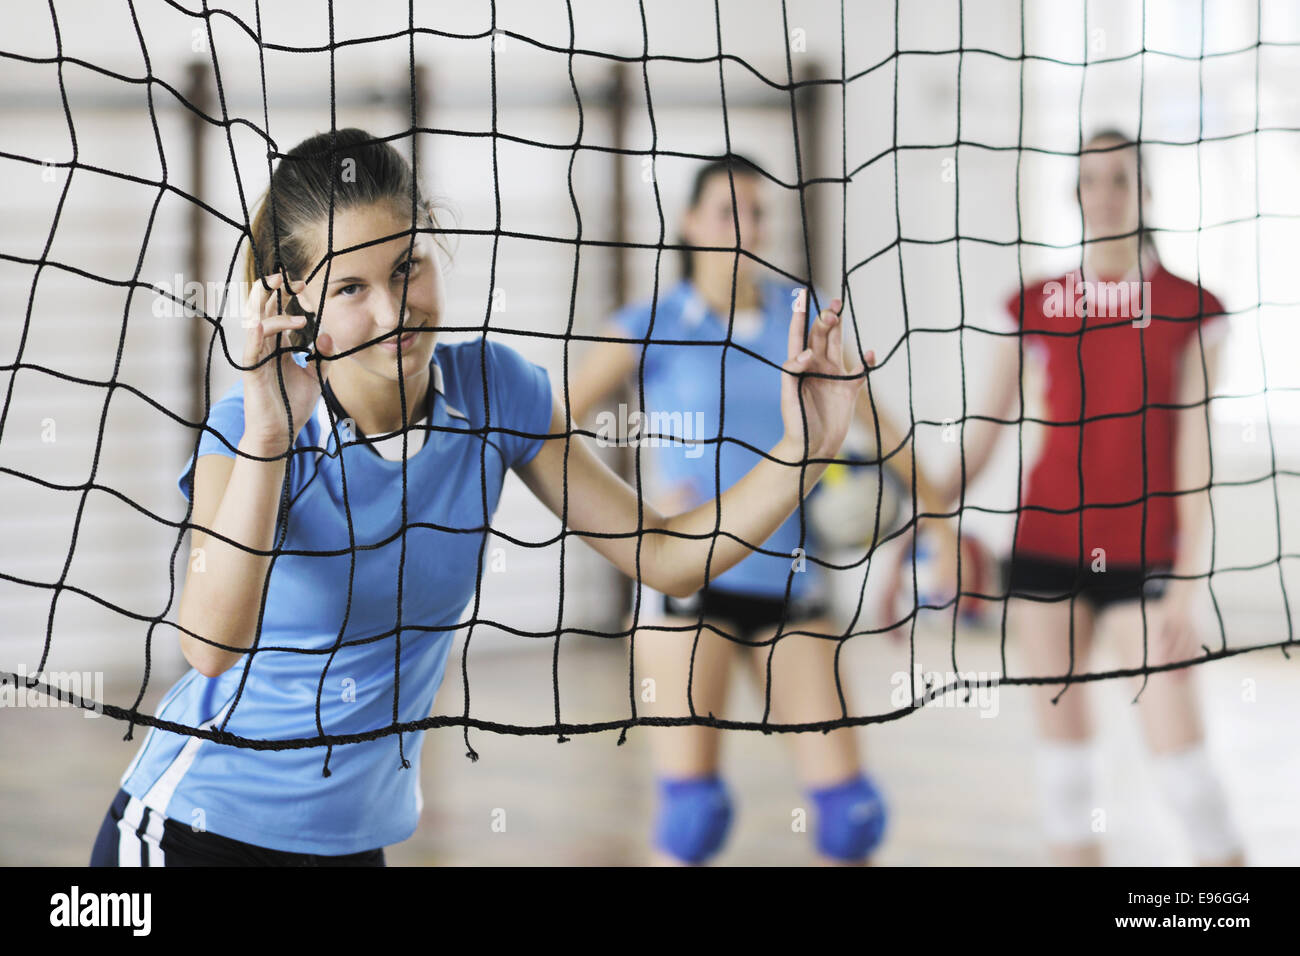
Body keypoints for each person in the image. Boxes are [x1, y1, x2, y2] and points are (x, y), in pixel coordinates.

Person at [88, 129, 869, 866]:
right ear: (296, 302)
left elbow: (662, 556)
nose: (394, 312)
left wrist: (804, 451)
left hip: (352, 845)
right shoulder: (248, 426)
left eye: (405, 268)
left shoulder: (493, 391)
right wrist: (268, 435)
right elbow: (209, 647)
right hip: (192, 832)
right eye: (351, 287)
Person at [568, 155, 928, 865]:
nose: (746, 226)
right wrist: (636, 512)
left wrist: (939, 514)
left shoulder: (802, 310)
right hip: (689, 584)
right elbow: (551, 425)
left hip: (792, 579)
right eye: (728, 211)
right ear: (691, 224)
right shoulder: (652, 322)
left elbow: (872, 421)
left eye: (758, 212)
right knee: (693, 817)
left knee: (851, 817)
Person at [948, 129, 1245, 865]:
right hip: (1045, 547)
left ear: (1145, 192)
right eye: (1090, 180)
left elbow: (1193, 447)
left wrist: (1185, 585)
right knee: (1066, 778)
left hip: (1146, 557)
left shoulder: (1192, 307)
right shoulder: (1035, 303)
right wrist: (917, 514)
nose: (1106, 193)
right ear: (1075, 195)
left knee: (1188, 777)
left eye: (1120, 178)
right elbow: (984, 433)